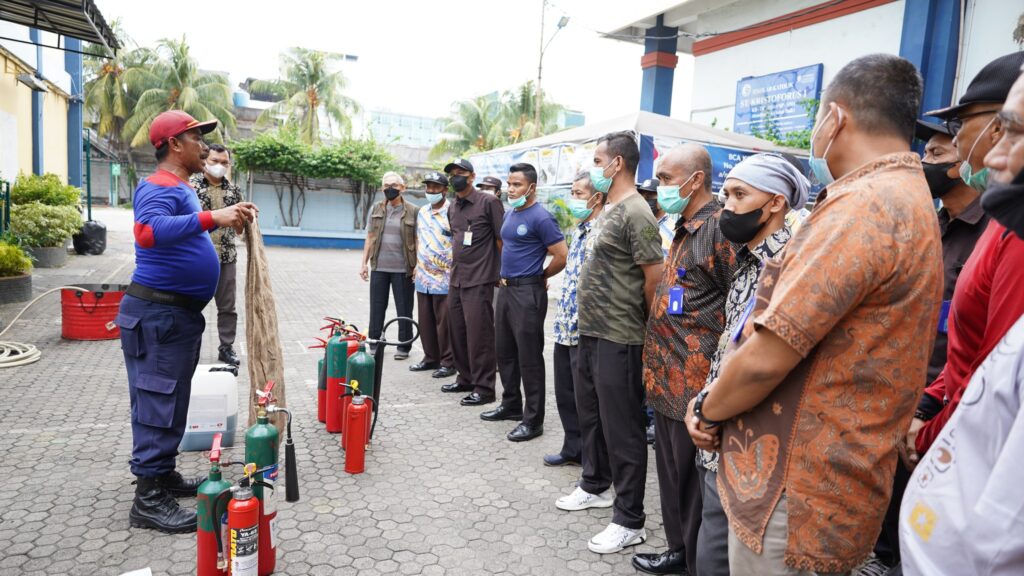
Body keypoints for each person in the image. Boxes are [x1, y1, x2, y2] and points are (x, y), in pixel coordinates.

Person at [687, 53, 943, 575]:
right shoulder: (907, 194)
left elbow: (766, 356)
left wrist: (708, 410)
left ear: (835, 119)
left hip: (794, 492)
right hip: (834, 479)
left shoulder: (864, 205)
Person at [899, 65, 1024, 576]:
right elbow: (967, 353)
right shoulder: (1001, 222)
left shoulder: (1014, 233)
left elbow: (993, 375)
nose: (989, 148)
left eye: (1009, 130)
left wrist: (928, 437)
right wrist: (928, 405)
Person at [116, 110, 256, 533]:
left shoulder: (179, 186)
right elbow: (147, 232)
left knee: (172, 399)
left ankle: (163, 475)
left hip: (174, 316)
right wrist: (215, 217)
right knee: (158, 401)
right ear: (175, 144)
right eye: (197, 138)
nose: (204, 147)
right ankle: (148, 499)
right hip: (159, 314)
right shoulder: (158, 184)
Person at [867, 119, 991, 574]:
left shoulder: (993, 232)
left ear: (962, 167)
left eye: (937, 156)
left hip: (947, 399)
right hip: (899, 387)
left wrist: (931, 406)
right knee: (892, 503)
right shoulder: (928, 223)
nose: (924, 163)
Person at [691, 154, 808, 576]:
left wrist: (708, 409)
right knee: (709, 557)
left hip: (753, 446)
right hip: (720, 435)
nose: (728, 207)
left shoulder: (792, 266)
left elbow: (765, 362)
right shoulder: (745, 261)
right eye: (726, 195)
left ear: (775, 203)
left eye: (741, 195)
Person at [555, 131, 663, 555]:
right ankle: (595, 484)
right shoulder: (608, 209)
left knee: (624, 429)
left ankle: (629, 518)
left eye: (598, 161)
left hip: (621, 336)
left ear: (617, 164)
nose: (594, 168)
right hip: (591, 332)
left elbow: (653, 278)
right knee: (593, 416)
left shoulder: (637, 211)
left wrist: (648, 333)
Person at [633, 143, 737, 576]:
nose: (660, 189)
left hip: (693, 382)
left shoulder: (719, 229)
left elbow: (740, 301)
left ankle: (693, 561)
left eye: (666, 180)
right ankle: (678, 549)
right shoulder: (684, 226)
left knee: (692, 485)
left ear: (696, 180)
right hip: (665, 377)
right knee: (673, 476)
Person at [481, 163, 567, 442]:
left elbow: (561, 255)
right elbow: (508, 246)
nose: (510, 189)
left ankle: (533, 421)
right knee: (504, 352)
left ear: (531, 187)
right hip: (505, 290)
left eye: (516, 184)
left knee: (529, 357)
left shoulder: (541, 217)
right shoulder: (510, 213)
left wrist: (539, 275)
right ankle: (511, 405)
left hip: (527, 293)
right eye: (509, 183)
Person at [545, 171, 604, 467]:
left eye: (578, 193)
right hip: (565, 326)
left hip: (586, 331)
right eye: (573, 191)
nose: (573, 198)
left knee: (587, 402)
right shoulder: (579, 229)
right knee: (565, 394)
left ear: (597, 197)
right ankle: (572, 448)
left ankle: (592, 460)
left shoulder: (602, 231)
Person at [440, 158, 504, 406]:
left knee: (480, 335)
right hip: (456, 279)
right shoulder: (452, 207)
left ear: (472, 176)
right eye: (452, 173)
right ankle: (465, 377)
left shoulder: (489, 202)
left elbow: (501, 240)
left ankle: (484, 388)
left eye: (461, 173)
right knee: (457, 332)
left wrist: (501, 272)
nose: (456, 176)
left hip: (480, 278)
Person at [190, 144, 243, 367]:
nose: (219, 166)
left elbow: (240, 229)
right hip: (198, 258)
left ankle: (226, 347)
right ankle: (189, 347)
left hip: (227, 257)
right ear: (205, 161)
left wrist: (243, 223)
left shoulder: (234, 191)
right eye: (214, 161)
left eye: (224, 162)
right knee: (190, 305)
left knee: (227, 307)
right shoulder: (191, 188)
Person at [360, 172, 417, 360]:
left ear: (403, 188)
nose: (390, 189)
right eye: (386, 185)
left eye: (394, 185)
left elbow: (418, 240)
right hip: (379, 267)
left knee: (404, 308)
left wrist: (418, 266)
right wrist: (364, 264)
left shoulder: (413, 211)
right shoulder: (376, 208)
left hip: (403, 269)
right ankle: (375, 342)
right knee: (376, 307)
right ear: (382, 188)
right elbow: (370, 237)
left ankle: (404, 346)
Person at [409, 171, 456, 379]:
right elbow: (419, 238)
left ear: (445, 190)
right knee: (425, 320)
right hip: (423, 276)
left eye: (436, 187)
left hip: (445, 277)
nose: (431, 191)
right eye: (428, 187)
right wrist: (417, 265)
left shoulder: (452, 211)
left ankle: (448, 362)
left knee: (444, 322)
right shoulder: (423, 212)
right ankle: (430, 358)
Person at [636, 175, 671, 445]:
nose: (648, 198)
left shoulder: (671, 225)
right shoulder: (646, 224)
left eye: (652, 194)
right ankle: (646, 416)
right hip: (641, 304)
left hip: (665, 305)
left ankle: (654, 419)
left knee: (660, 364)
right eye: (644, 193)